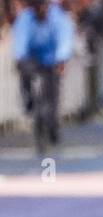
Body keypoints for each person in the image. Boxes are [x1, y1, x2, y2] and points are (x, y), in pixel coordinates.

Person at [11, 0, 75, 140]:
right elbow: (20, 41)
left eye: (43, 6)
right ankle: (28, 101)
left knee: (53, 92)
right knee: (24, 73)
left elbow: (65, 39)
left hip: (52, 59)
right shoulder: (25, 18)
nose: (41, 9)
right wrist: (19, 58)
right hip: (33, 58)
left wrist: (61, 58)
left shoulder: (58, 17)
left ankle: (53, 124)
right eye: (37, 6)